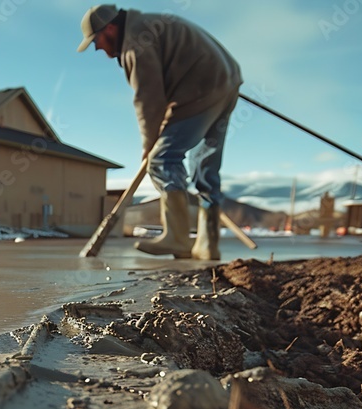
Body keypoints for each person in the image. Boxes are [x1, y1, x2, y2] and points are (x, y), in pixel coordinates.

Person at [77, 5, 241, 260]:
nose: (98, 47)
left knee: (161, 159)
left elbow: (148, 99)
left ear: (109, 28)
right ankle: (207, 245)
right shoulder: (148, 25)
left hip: (200, 89)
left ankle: (177, 238)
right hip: (226, 80)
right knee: (205, 164)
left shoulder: (134, 43)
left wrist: (149, 143)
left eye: (96, 40)